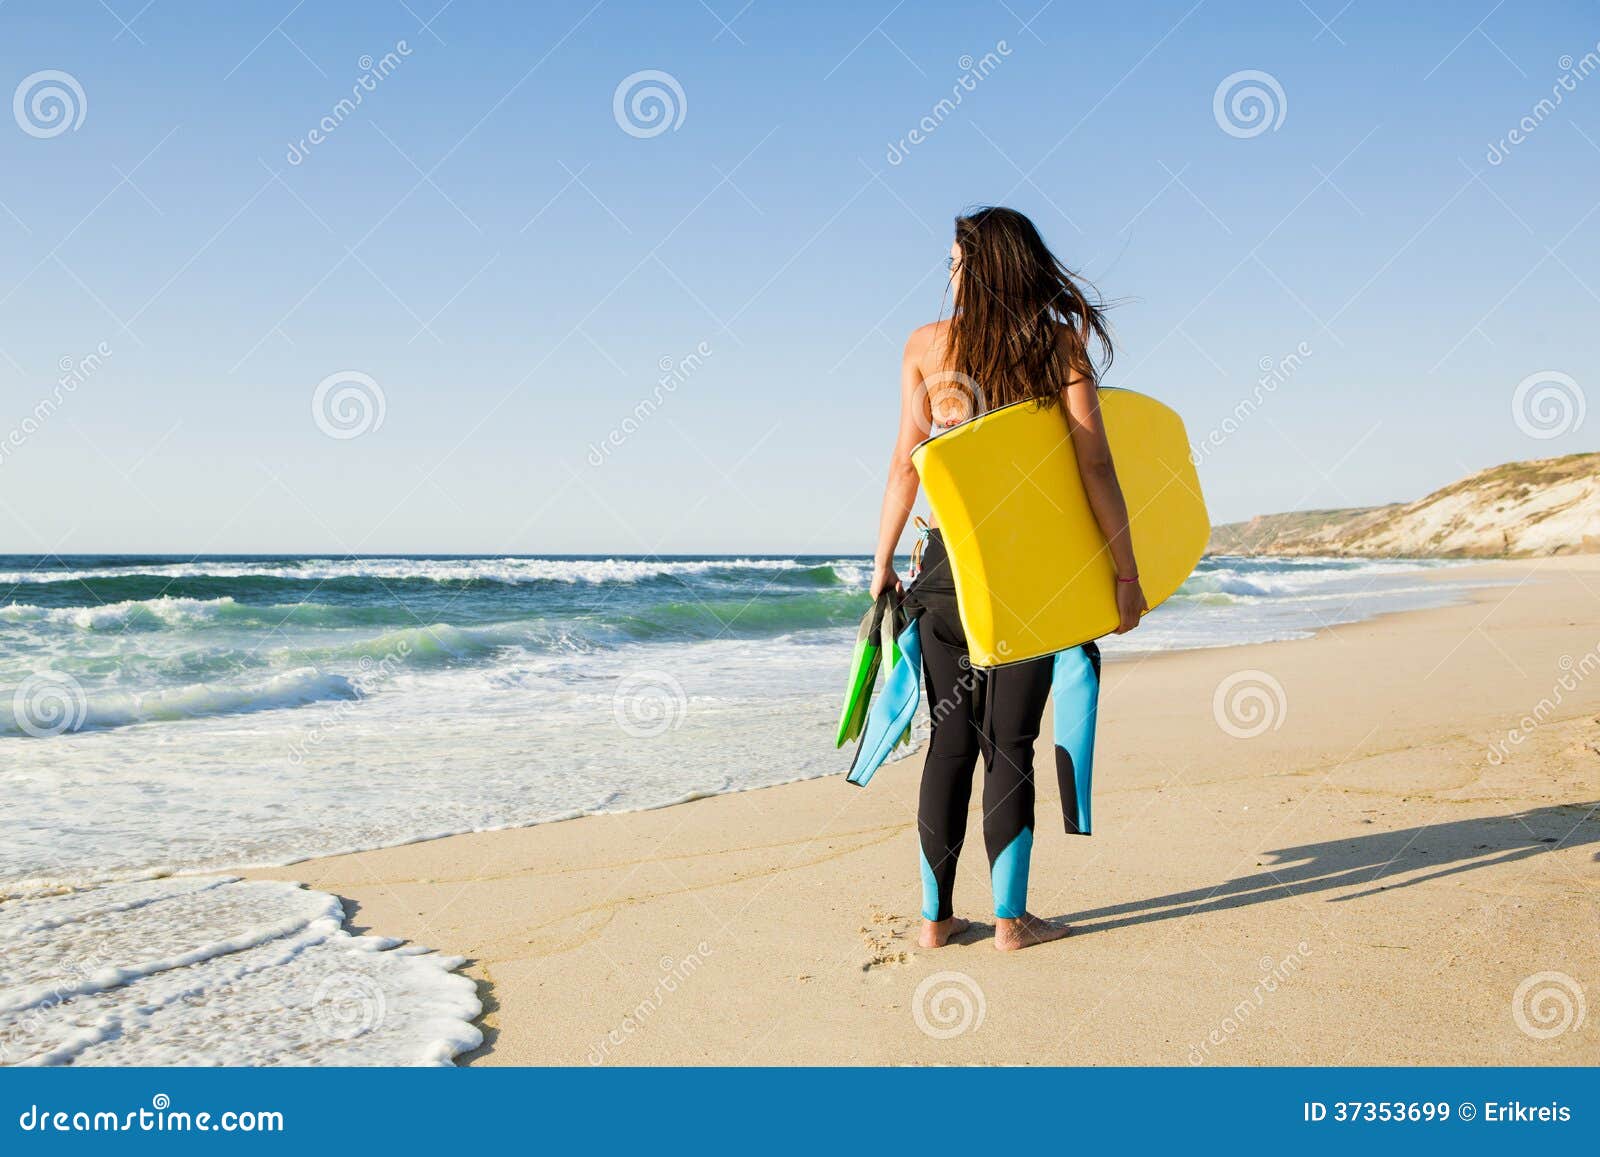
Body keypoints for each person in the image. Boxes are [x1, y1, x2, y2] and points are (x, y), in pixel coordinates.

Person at [870, 206, 1145, 952]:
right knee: (1010, 744)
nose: (949, 272)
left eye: (956, 260)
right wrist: (1125, 572)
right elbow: (1095, 465)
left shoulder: (926, 347)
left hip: (945, 581)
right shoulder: (1056, 345)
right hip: (1029, 584)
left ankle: (934, 920)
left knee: (949, 743)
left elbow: (907, 461)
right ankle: (1011, 921)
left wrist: (883, 563)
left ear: (980, 264)